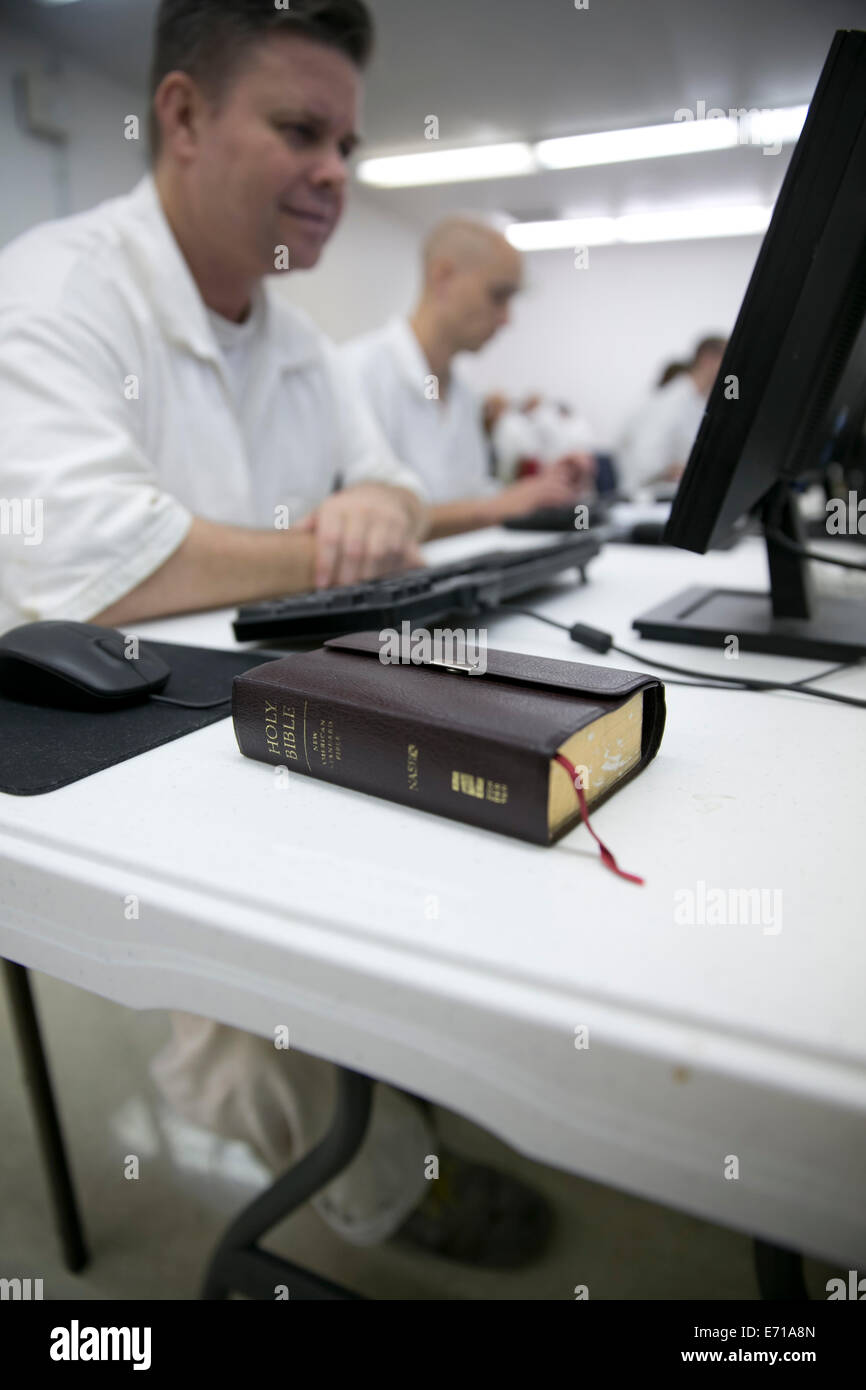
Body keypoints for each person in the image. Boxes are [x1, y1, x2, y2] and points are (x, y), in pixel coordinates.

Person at [0, 0, 550, 1268]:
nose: (331, 176)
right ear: (183, 117)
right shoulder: (58, 289)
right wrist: (329, 548)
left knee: (484, 769)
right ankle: (373, 1179)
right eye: (300, 129)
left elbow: (393, 494)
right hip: (108, 739)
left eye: (347, 148)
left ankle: (404, 1052)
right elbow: (100, 562)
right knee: (261, 973)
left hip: (260, 687)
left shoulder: (295, 338)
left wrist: (378, 499)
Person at [342, 219, 595, 537]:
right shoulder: (355, 373)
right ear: (443, 277)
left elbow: (469, 496)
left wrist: (544, 487)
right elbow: (363, 522)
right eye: (498, 296)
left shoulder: (464, 394)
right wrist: (495, 506)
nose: (506, 319)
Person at [616, 337, 727, 495]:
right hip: (648, 498)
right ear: (708, 359)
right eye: (727, 360)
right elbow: (644, 461)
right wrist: (678, 469)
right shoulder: (672, 400)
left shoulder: (697, 402)